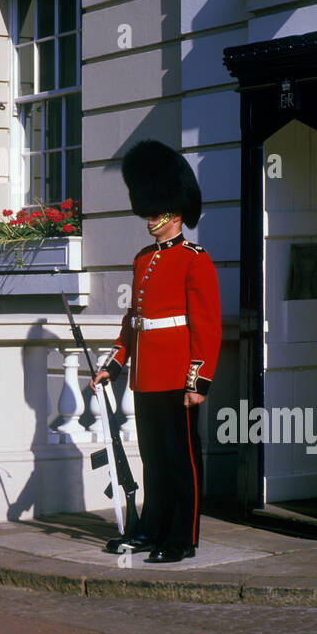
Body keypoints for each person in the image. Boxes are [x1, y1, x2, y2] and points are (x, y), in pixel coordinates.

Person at [91, 140, 221, 563]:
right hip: (146, 377)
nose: (150, 219)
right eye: (147, 211)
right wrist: (115, 362)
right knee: (152, 461)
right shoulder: (143, 259)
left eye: (156, 211)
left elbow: (206, 326)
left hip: (176, 377)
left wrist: (197, 381)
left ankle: (181, 537)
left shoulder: (194, 259)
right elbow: (135, 319)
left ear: (176, 211)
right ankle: (151, 530)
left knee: (180, 462)